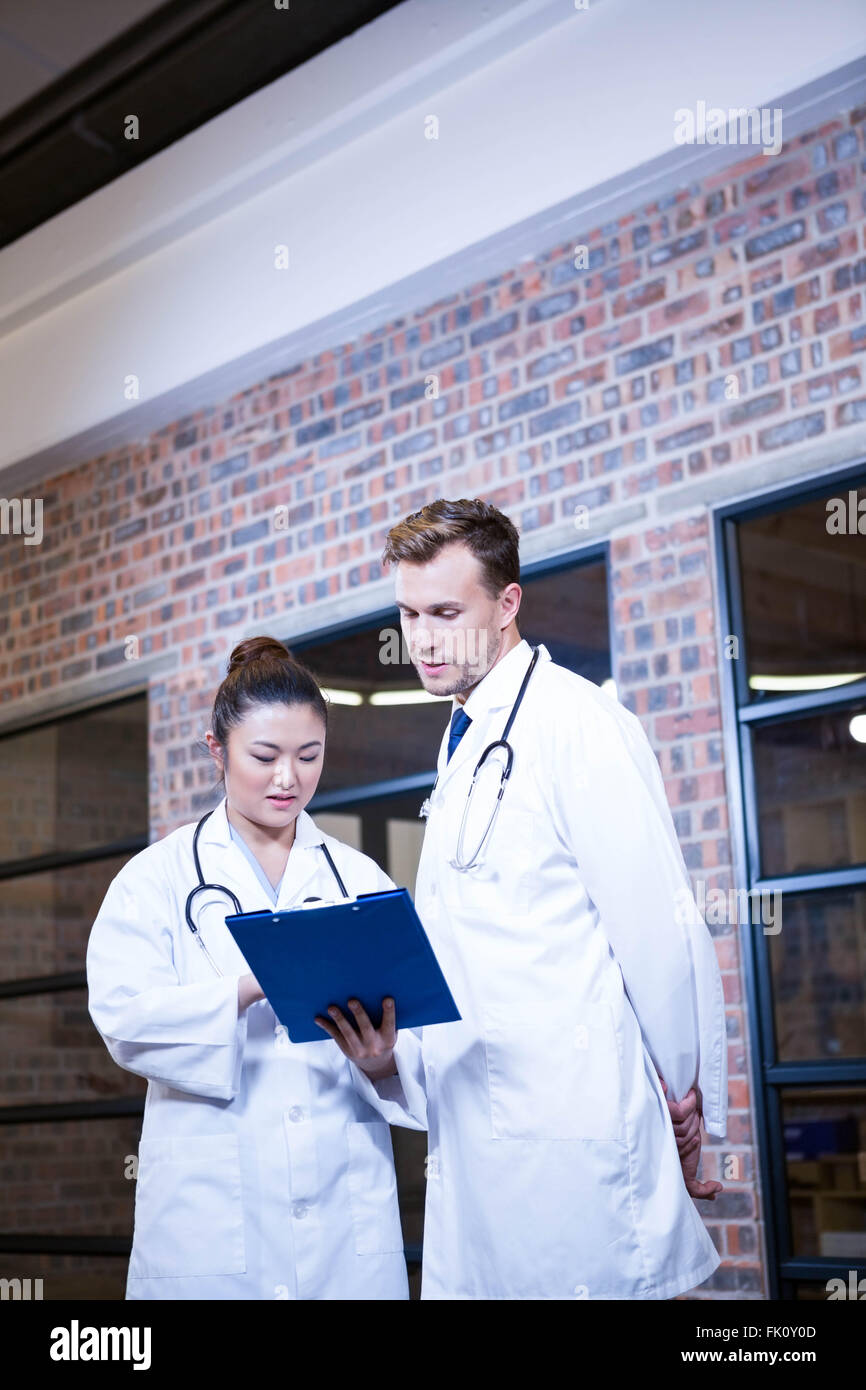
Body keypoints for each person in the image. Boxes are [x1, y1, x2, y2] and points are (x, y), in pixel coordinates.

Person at [319, 498, 728, 1300]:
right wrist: (391, 1062)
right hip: (483, 1136)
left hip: (572, 1144)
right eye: (407, 612)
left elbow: (657, 931)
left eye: (445, 611)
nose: (422, 638)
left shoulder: (578, 724)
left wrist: (682, 1098)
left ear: (507, 604)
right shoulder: (463, 736)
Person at [86, 636, 416, 1300]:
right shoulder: (157, 880)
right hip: (210, 1223)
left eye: (308, 756)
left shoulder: (359, 880)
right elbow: (122, 1017)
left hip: (339, 1226)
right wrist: (249, 987)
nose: (287, 779)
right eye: (263, 756)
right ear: (217, 750)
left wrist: (382, 1061)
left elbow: (420, 1034)